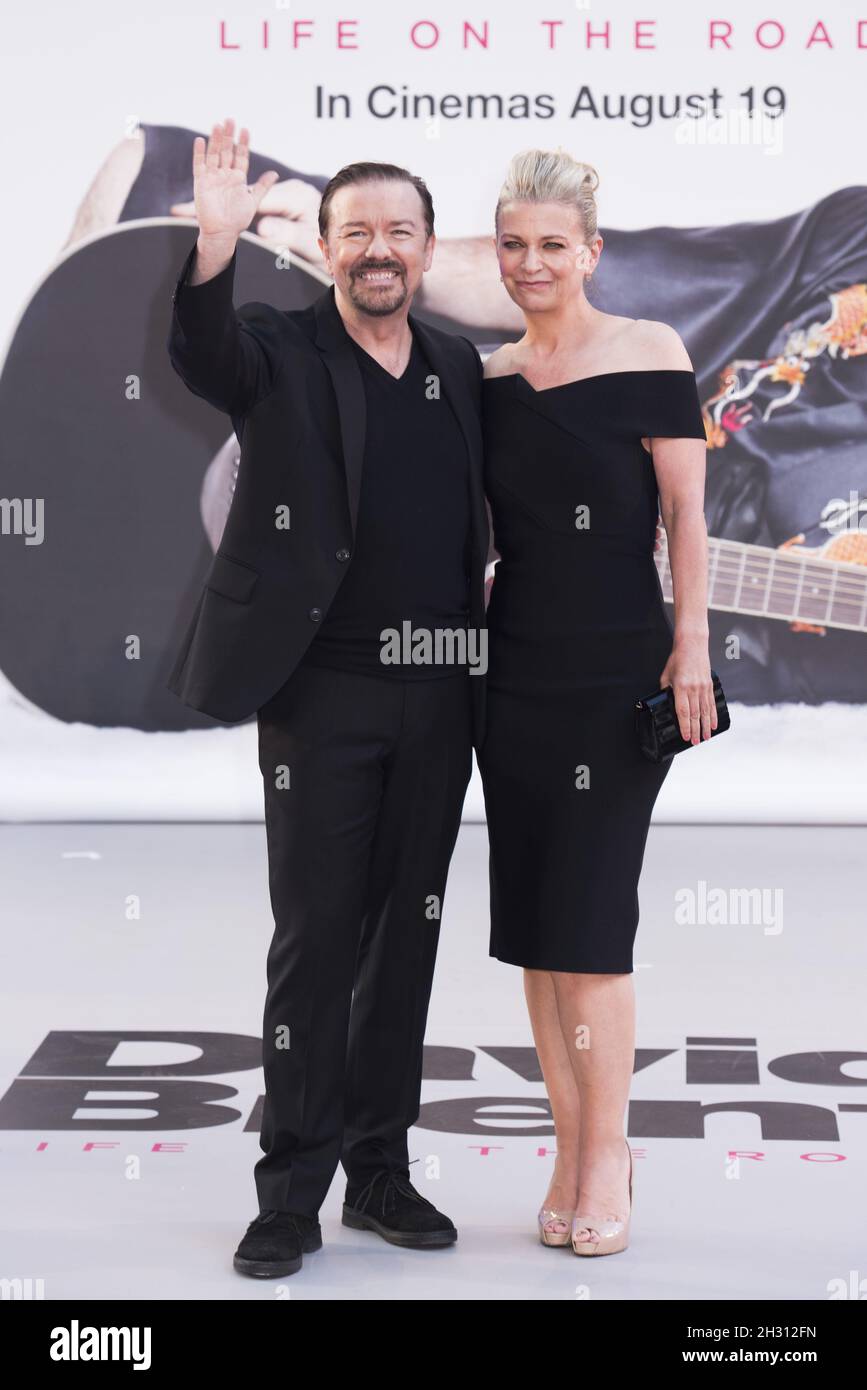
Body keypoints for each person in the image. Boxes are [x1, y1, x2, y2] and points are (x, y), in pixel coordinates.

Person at [166, 119, 490, 1277]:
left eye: (399, 231)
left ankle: (383, 1174)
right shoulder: (278, 345)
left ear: (427, 245)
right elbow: (204, 358)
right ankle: (289, 1191)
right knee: (314, 944)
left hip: (438, 696)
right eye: (357, 231)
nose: (378, 249)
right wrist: (212, 245)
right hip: (320, 699)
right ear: (325, 246)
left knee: (405, 942)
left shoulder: (456, 365)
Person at [478, 149, 715, 1256]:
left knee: (591, 922)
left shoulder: (651, 352)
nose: (533, 263)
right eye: (515, 244)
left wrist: (691, 649)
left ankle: (611, 1149)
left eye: (553, 245)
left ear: (593, 251)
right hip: (512, 673)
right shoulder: (484, 380)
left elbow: (686, 518)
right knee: (535, 926)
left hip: (617, 671)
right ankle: (569, 1148)